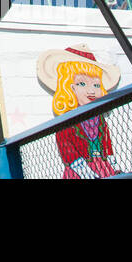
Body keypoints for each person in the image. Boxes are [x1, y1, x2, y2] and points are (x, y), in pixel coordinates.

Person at [36, 46, 122, 179]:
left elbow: (106, 146)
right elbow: (67, 149)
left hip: (103, 166)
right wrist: (85, 172)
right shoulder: (67, 121)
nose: (91, 91)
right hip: (79, 169)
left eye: (96, 85)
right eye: (82, 84)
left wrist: (113, 166)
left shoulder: (100, 121)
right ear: (69, 87)